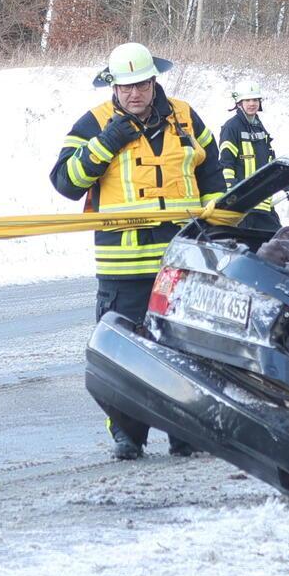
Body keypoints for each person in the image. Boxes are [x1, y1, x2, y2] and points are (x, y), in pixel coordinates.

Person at [50, 41, 225, 459]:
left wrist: (217, 231)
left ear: (154, 81)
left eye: (141, 84)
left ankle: (186, 431)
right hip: (123, 268)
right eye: (125, 86)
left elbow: (213, 174)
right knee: (123, 354)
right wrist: (106, 142)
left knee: (186, 352)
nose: (134, 94)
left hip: (182, 263)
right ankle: (128, 435)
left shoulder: (185, 116)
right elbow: (66, 183)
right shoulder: (95, 123)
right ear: (113, 86)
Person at [215, 77, 276, 200]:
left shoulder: (260, 127)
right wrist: (231, 190)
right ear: (239, 103)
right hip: (242, 199)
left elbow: (269, 160)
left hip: (262, 197)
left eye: (255, 100)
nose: (252, 103)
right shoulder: (231, 127)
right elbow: (226, 162)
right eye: (247, 100)